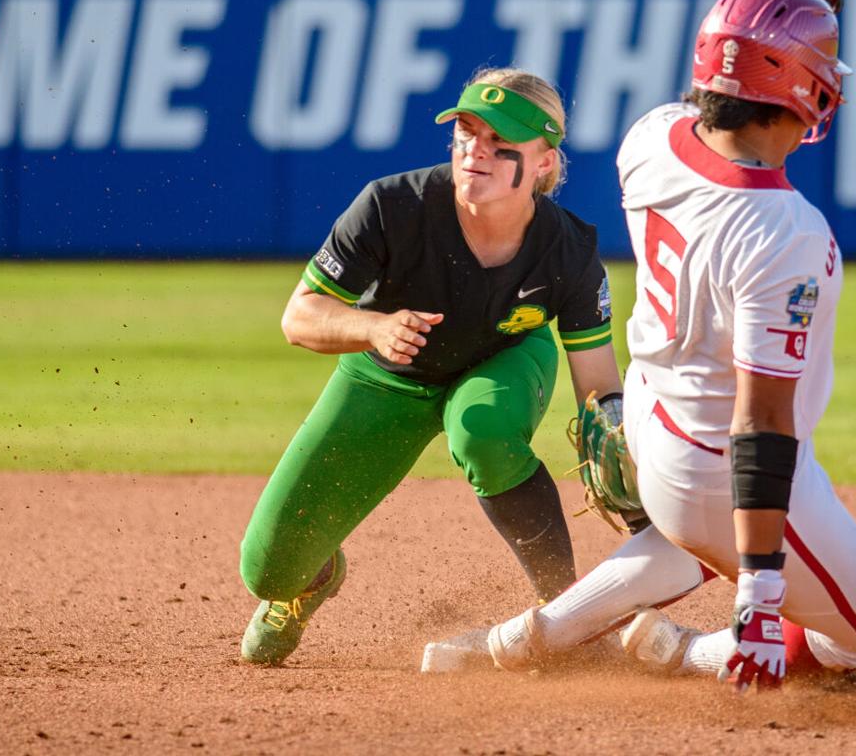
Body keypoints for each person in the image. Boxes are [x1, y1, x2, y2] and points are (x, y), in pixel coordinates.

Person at [425, 0, 856, 689]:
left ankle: (519, 639)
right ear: (801, 89)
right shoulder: (786, 231)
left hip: (651, 419)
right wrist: (759, 598)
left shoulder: (650, 137)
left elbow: (716, 105)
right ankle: (688, 652)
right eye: (818, 67)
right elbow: (762, 424)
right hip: (719, 461)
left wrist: (761, 44)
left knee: (696, 541)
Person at [237, 67, 623, 665]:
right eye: (467, 133)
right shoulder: (392, 206)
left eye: (503, 145)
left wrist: (617, 448)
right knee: (267, 571)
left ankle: (566, 610)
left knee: (484, 431)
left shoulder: (569, 247)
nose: (478, 152)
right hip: (387, 371)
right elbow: (300, 316)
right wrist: (372, 326)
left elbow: (599, 388)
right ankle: (311, 581)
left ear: (544, 162)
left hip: (504, 358)